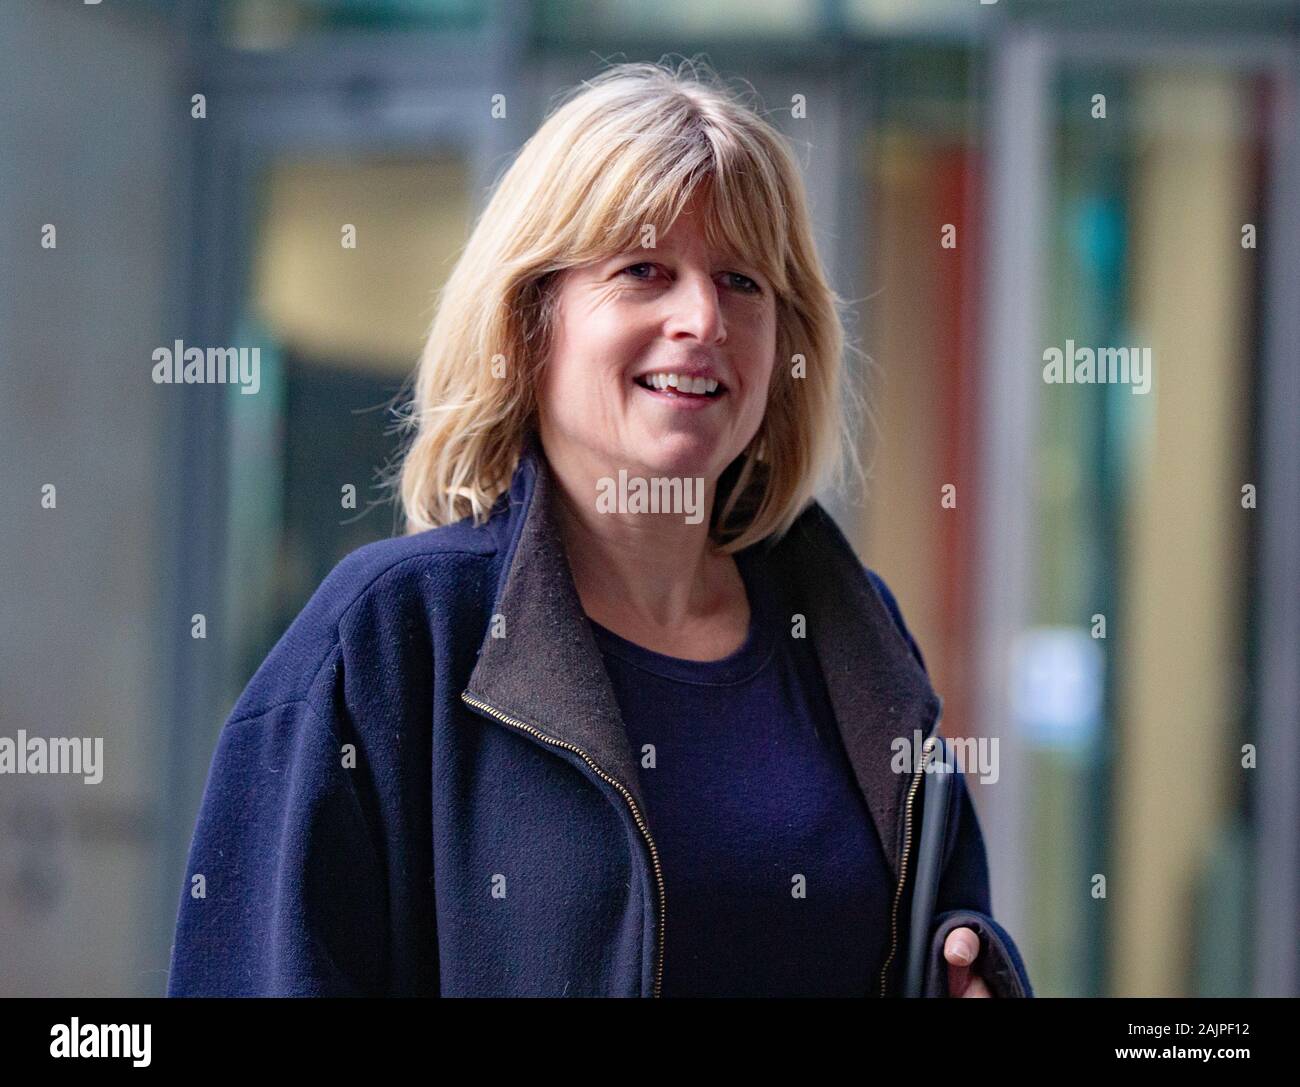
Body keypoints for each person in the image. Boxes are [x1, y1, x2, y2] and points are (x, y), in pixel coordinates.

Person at [166, 58, 1032, 998]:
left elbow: (945, 931)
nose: (702, 317)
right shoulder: (387, 640)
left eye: (742, 281)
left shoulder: (848, 633)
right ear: (530, 321)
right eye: (645, 271)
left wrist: (972, 969)